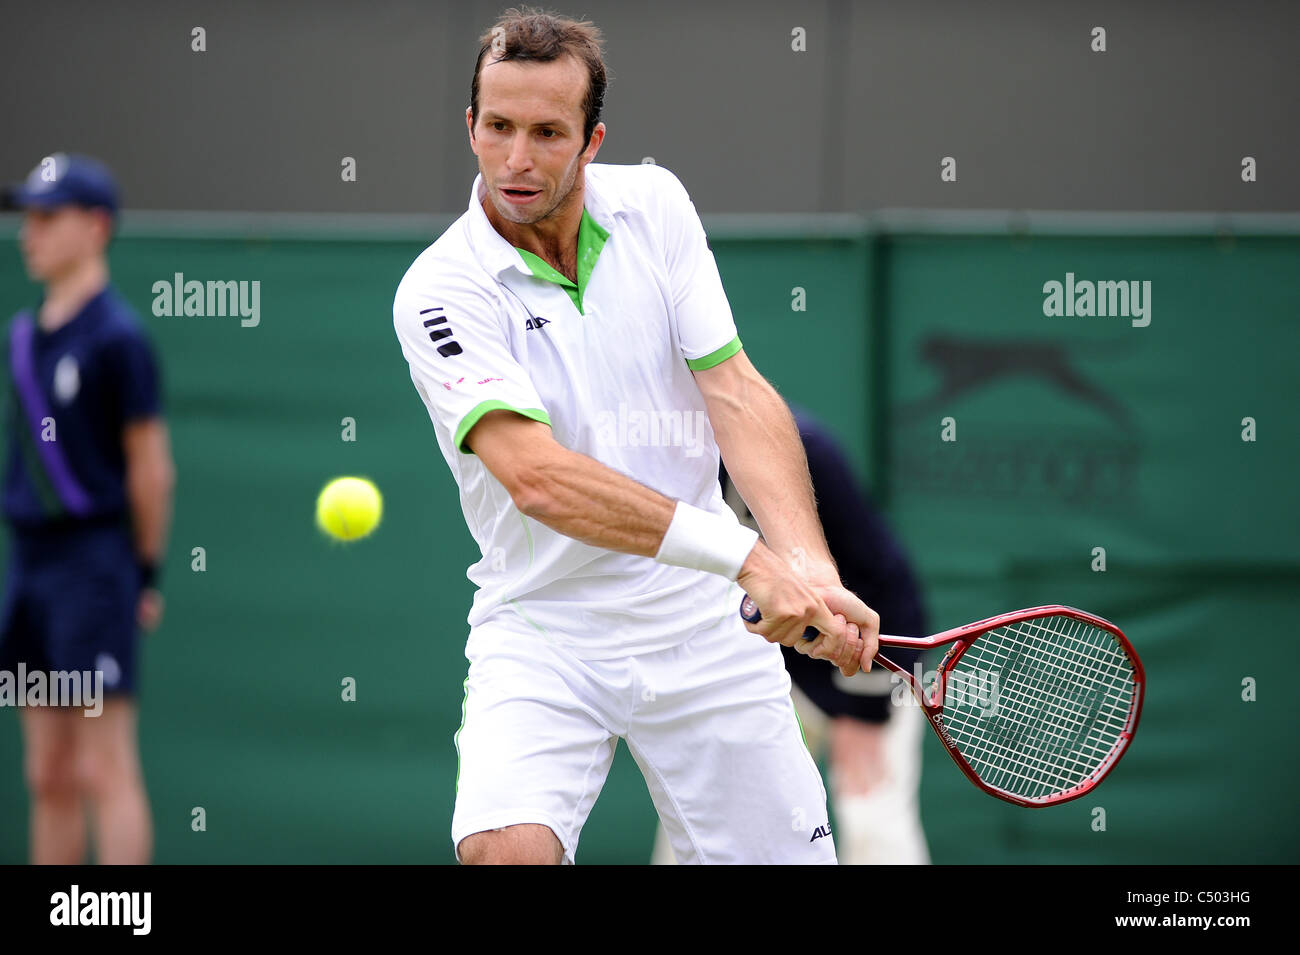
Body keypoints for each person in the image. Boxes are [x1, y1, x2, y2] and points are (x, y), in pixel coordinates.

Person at [393, 8, 879, 865]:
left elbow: (733, 389)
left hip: (702, 625)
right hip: (544, 623)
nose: (517, 159)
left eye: (548, 133)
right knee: (505, 854)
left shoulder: (655, 205)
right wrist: (749, 558)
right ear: (469, 125)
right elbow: (539, 478)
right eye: (498, 127)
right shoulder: (439, 290)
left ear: (591, 139)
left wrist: (806, 562)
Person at [652, 407, 932, 864]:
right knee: (703, 816)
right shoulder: (655, 459)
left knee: (873, 818)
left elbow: (886, 581)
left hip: (865, 663)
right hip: (751, 668)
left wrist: (865, 712)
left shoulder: (807, 450)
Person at [0, 153, 174, 864]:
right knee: (47, 772)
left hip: (95, 566)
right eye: (26, 218)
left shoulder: (120, 338)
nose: (28, 234)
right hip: (30, 569)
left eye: (47, 218)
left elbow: (151, 468)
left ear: (96, 227)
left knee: (103, 766)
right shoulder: (21, 336)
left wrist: (144, 572)